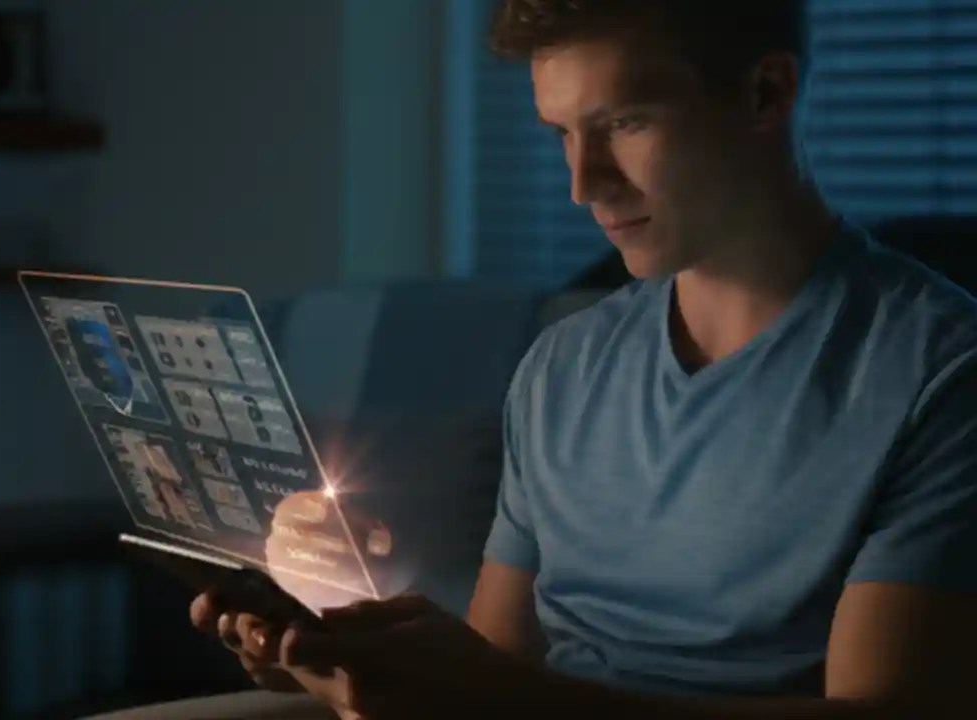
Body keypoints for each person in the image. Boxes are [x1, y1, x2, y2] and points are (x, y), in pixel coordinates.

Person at [122, 1, 977, 717]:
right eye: (562, 133)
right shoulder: (564, 366)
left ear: (765, 93)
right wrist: (349, 655)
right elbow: (493, 671)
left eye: (625, 124)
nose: (584, 183)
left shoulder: (936, 369)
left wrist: (495, 694)